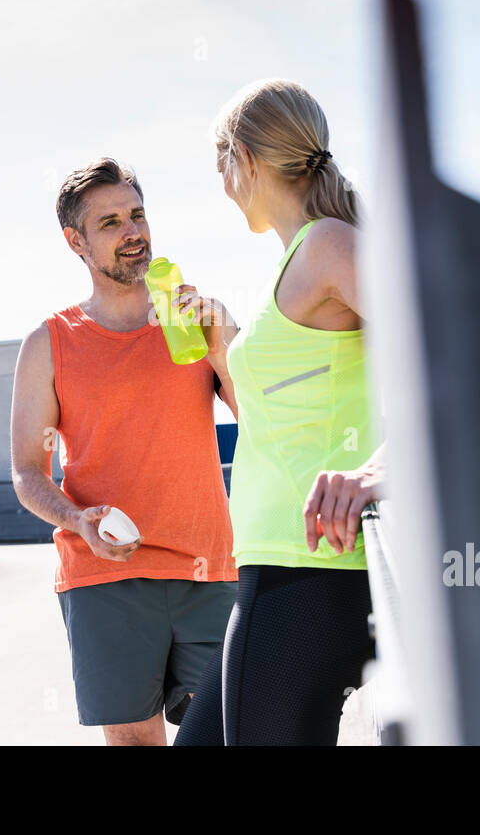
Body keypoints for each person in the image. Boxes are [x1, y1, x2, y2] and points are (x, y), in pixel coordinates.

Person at [174, 80, 386, 746]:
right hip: (281, 570)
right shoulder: (305, 258)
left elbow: (450, 353)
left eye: (221, 167)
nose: (223, 186)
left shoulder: (329, 245)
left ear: (246, 160)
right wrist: (225, 339)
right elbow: (290, 409)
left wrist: (376, 471)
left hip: (308, 571)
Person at [10, 157, 240, 746]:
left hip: (207, 569)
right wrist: (72, 519)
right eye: (110, 222)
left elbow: (263, 422)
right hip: (104, 574)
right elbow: (27, 472)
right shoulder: (49, 344)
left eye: (137, 215)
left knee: (220, 733)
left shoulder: (192, 323)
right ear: (76, 241)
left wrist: (223, 350)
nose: (132, 232)